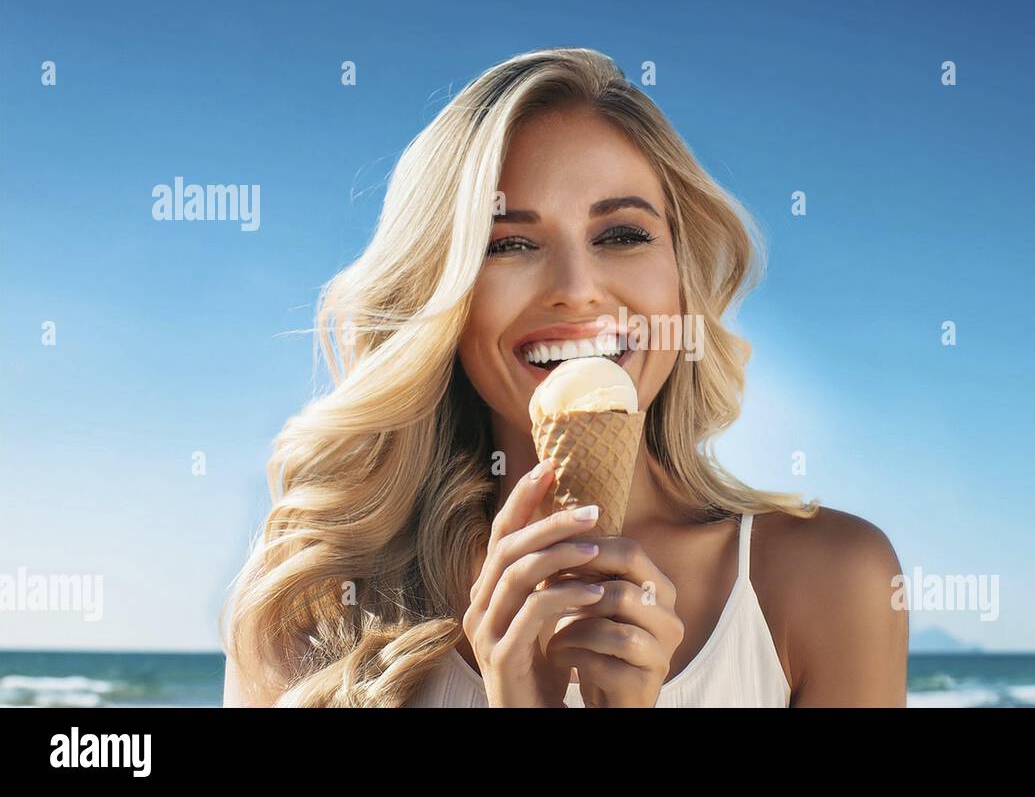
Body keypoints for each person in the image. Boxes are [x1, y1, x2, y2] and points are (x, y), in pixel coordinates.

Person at [222, 47, 907, 708]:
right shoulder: (313, 595)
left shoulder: (833, 578)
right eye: (509, 244)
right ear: (442, 293)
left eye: (622, 236)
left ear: (681, 278)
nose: (577, 291)